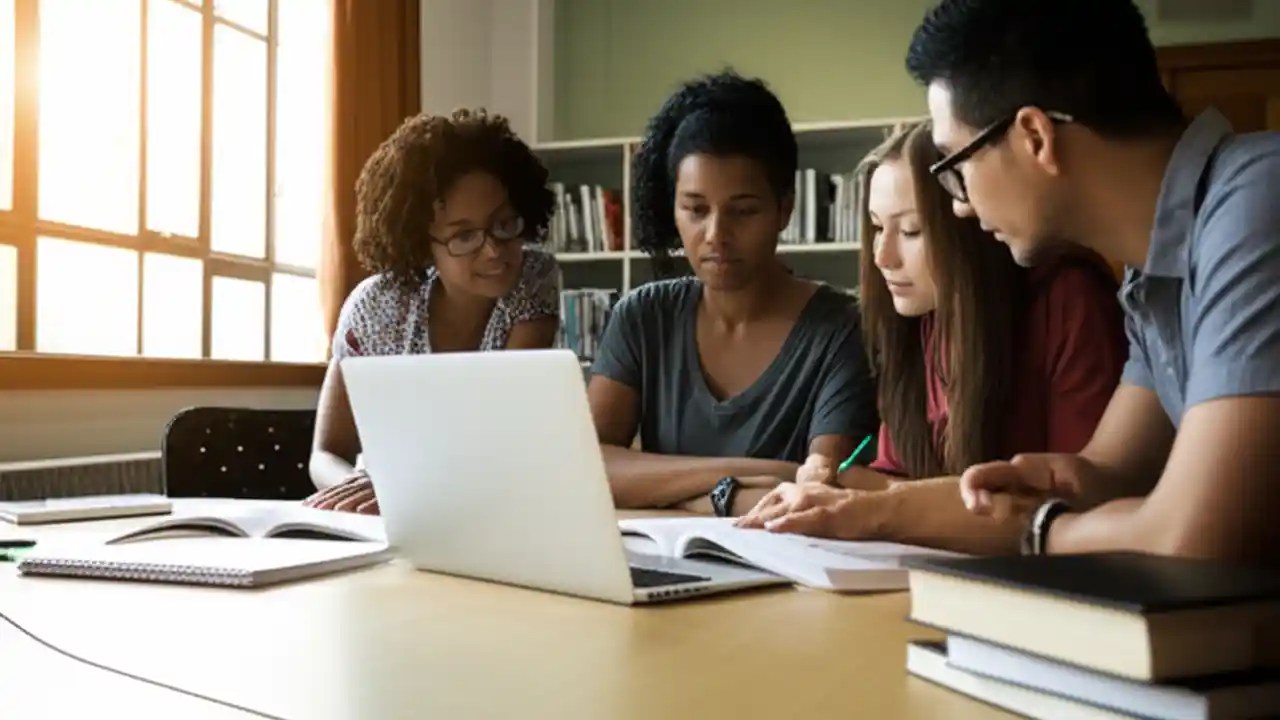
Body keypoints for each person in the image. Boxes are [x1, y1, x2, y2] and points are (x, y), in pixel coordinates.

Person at [906, 0, 1280, 562]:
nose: (959, 206)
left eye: (955, 165)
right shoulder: (1151, 270)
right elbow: (1117, 470)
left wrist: (1039, 529)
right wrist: (1064, 484)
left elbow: (1195, 534)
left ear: (1034, 136)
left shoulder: (1256, 204)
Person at [736, 121, 1127, 554]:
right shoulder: (921, 319)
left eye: (910, 232)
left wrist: (862, 505)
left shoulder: (1067, 300)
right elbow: (900, 482)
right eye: (876, 228)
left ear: (969, 216)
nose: (883, 257)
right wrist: (831, 482)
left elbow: (1075, 506)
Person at [588, 71, 879, 517]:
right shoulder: (643, 315)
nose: (716, 235)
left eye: (743, 211)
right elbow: (588, 468)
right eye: (696, 209)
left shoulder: (843, 328)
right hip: (668, 561)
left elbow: (820, 490)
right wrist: (746, 478)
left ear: (785, 209)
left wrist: (669, 488)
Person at [303, 109, 561, 514]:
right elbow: (326, 454)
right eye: (463, 236)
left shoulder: (532, 276)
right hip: (384, 510)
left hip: (488, 503)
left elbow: (504, 434)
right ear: (423, 246)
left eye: (504, 223)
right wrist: (365, 488)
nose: (493, 250)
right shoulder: (374, 307)